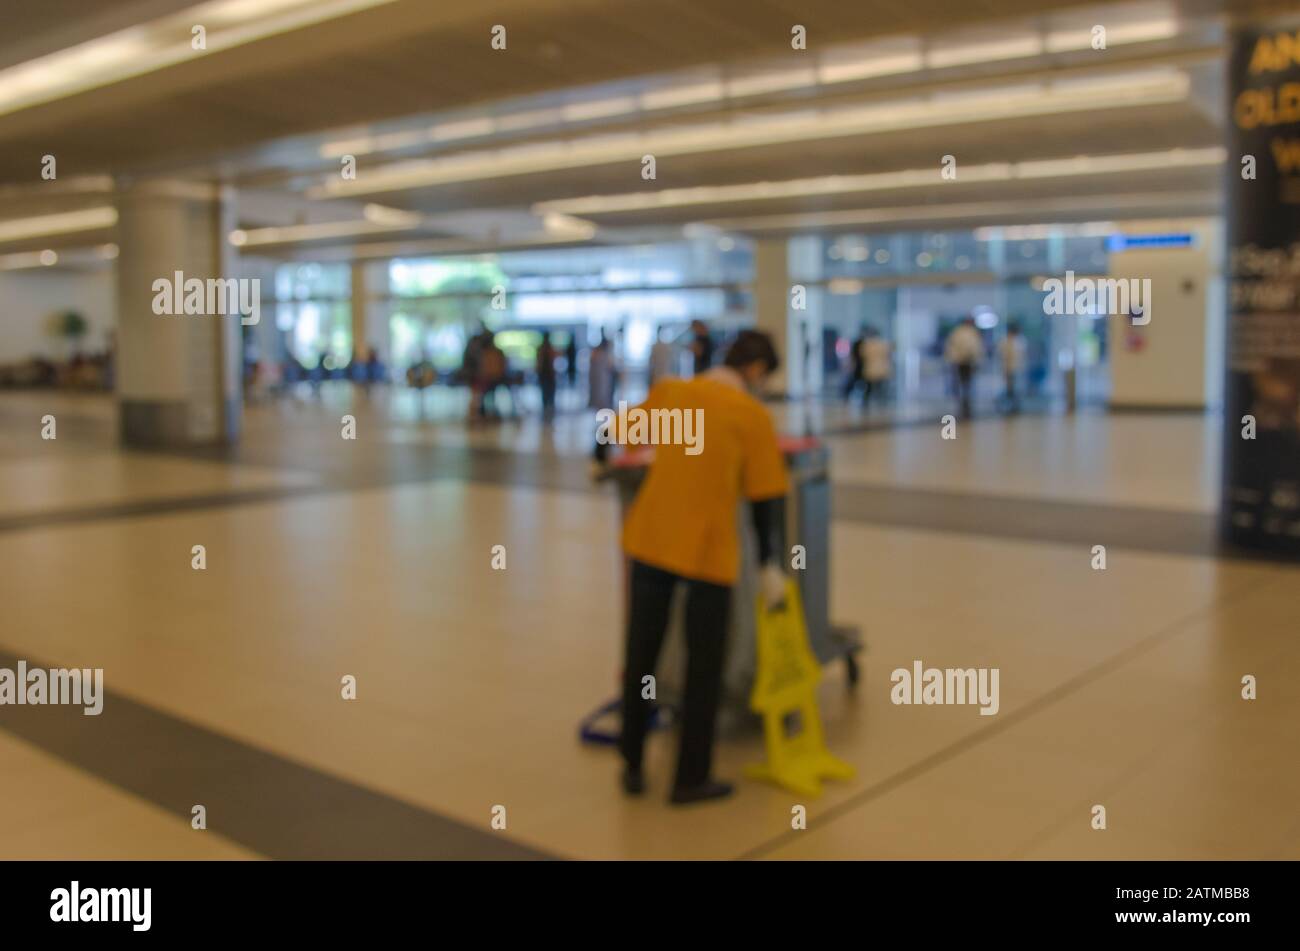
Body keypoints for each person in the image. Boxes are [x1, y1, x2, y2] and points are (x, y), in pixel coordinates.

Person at [600, 330, 791, 806]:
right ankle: (689, 778)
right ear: (754, 370)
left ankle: (632, 763)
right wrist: (770, 564)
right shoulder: (751, 415)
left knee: (641, 650)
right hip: (708, 552)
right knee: (704, 663)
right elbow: (766, 498)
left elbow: (619, 433)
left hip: (653, 538)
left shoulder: (674, 393)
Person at [944, 316, 983, 419]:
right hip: (960, 362)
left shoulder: (969, 332)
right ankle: (962, 404)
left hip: (967, 362)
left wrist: (975, 360)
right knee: (962, 385)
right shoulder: (959, 332)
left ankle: (966, 404)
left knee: (967, 385)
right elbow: (952, 347)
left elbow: (976, 348)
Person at [997, 323, 1026, 414]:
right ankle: (1009, 406)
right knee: (1009, 388)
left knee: (1014, 388)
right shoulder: (1005, 341)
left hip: (1016, 368)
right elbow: (1002, 355)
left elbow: (1022, 356)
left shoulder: (1019, 342)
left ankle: (1014, 406)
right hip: (1008, 368)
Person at [862, 328, 893, 406]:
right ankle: (882, 402)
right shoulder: (883, 344)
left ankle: (867, 402)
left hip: (871, 368)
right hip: (880, 368)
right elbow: (888, 355)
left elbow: (863, 355)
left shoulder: (867, 344)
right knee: (880, 387)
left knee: (870, 387)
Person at [588, 331, 616, 409]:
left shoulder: (596, 355)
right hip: (602, 379)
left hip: (601, 379)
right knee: (602, 394)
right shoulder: (602, 355)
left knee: (602, 394)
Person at [536, 331, 558, 419]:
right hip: (545, 374)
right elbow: (539, 362)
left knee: (549, 392)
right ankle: (547, 409)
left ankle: (549, 409)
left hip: (547, 374)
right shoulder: (543, 349)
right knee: (546, 392)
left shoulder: (547, 349)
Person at [843, 326, 867, 403]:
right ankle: (847, 394)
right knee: (855, 381)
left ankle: (862, 396)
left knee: (861, 382)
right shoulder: (859, 343)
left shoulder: (865, 344)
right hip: (859, 366)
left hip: (863, 366)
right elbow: (852, 355)